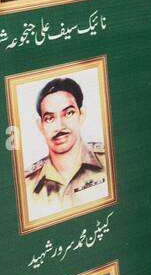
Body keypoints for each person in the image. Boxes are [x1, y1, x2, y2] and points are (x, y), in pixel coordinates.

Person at [24, 77, 109, 218]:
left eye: (68, 113)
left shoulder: (110, 160)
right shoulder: (26, 184)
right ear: (41, 126)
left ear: (81, 116)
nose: (59, 126)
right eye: (50, 118)